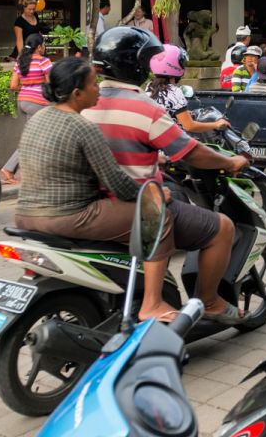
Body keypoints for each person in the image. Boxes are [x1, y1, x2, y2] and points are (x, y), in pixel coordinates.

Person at [87, 27, 249, 325]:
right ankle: (210, 301)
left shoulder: (82, 102)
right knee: (223, 227)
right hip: (136, 204)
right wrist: (228, 162)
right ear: (136, 65)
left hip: (95, 204)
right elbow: (191, 152)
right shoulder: (146, 108)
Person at [13, 57, 178, 322]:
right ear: (77, 93)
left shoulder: (39, 117)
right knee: (159, 217)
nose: (99, 88)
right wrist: (153, 195)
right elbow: (116, 182)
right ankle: (153, 303)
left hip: (24, 215)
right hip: (69, 216)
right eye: (93, 85)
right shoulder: (83, 127)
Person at [0, 34, 53, 185]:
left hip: (23, 101)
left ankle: (37, 172)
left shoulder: (21, 62)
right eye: (43, 44)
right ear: (39, 47)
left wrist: (28, 88)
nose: (44, 47)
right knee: (34, 139)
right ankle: (9, 169)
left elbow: (13, 85)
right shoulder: (44, 62)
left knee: (38, 138)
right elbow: (51, 85)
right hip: (38, 103)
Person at [146, 44, 232, 134]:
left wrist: (185, 113)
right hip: (171, 142)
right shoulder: (174, 92)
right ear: (174, 65)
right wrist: (216, 124)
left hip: (154, 137)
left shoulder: (150, 86)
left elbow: (164, 109)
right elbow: (189, 126)